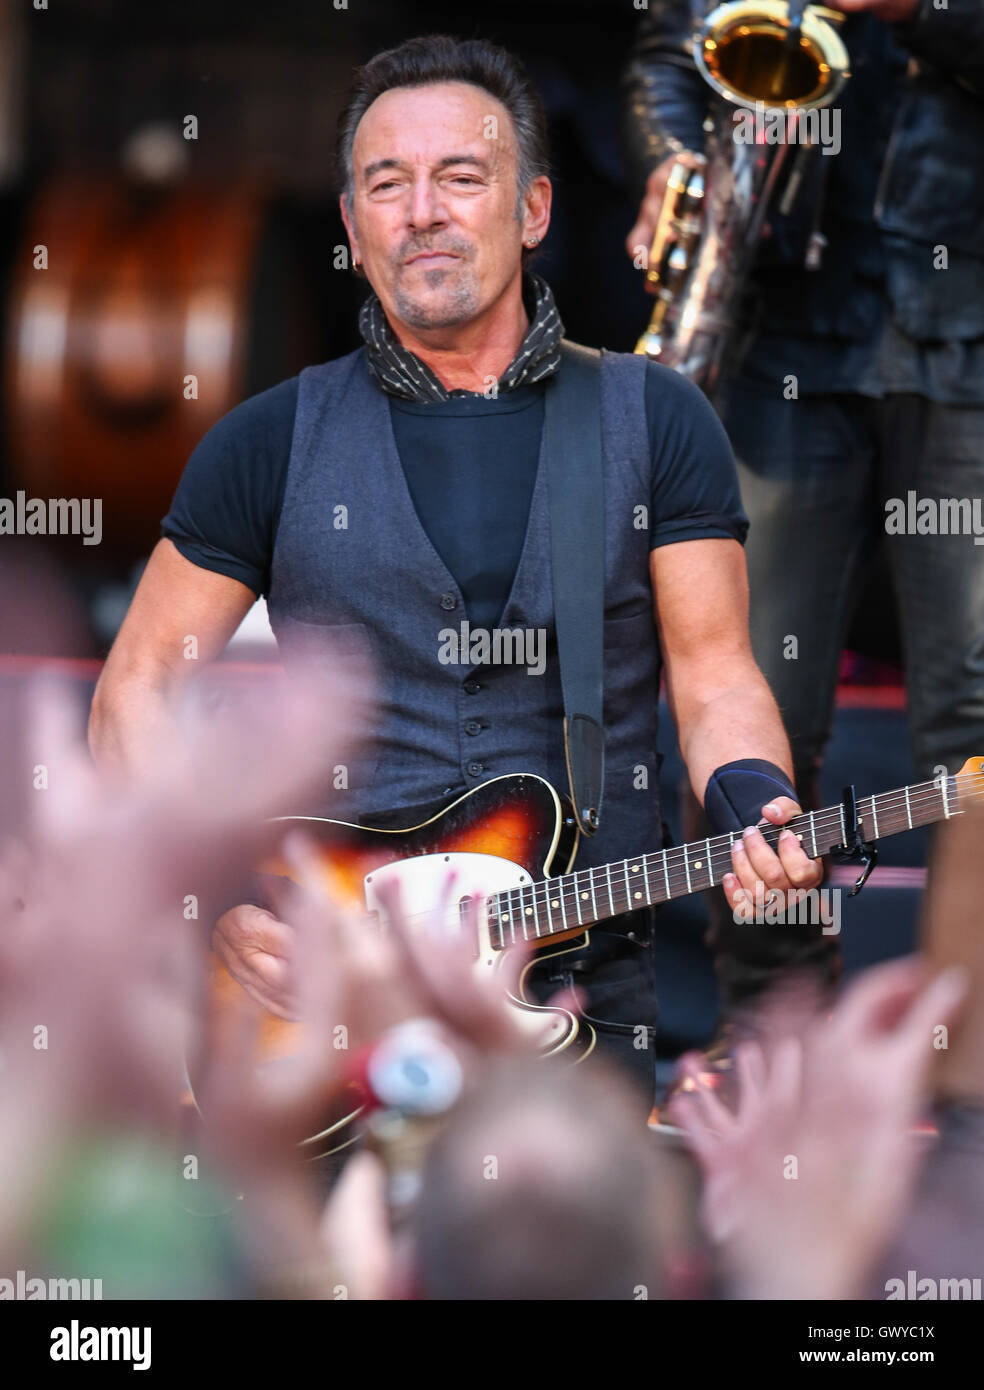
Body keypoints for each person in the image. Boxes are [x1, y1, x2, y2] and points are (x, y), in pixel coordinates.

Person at [89, 33, 822, 1110]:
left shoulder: (657, 419)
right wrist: (217, 901)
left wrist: (758, 798)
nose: (422, 210)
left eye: (461, 176)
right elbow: (132, 690)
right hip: (330, 1008)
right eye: (388, 184)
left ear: (532, 210)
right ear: (352, 224)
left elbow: (713, 679)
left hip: (580, 993)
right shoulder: (266, 441)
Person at [622, 0, 984, 1017]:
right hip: (783, 326)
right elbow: (669, 50)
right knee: (753, 712)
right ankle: (777, 1040)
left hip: (966, 329)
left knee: (978, 725)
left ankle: (974, 1067)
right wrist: (670, 161)